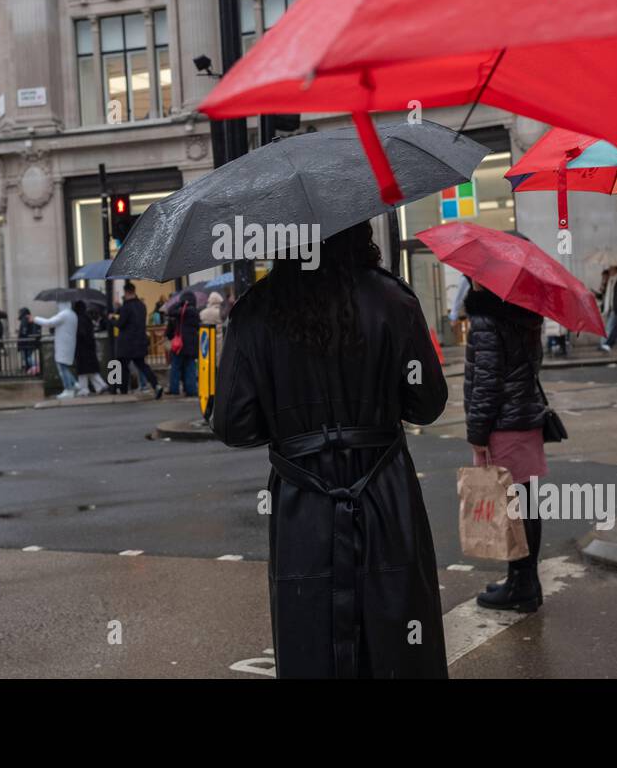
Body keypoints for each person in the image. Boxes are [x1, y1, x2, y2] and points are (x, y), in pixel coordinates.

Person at [213, 220, 449, 678]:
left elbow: (234, 423)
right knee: (399, 638)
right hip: (385, 495)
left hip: (304, 507)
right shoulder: (393, 299)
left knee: (310, 641)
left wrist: (288, 421)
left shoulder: (255, 311)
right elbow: (427, 403)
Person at [463, 280, 549, 612]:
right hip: (526, 422)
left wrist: (477, 432)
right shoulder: (527, 315)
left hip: (502, 425)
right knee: (526, 505)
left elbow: (486, 381)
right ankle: (525, 581)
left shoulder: (487, 320)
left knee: (514, 508)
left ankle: (520, 586)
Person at [111, 283, 162, 397]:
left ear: (126, 292)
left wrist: (111, 319)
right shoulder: (142, 305)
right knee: (142, 365)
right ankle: (156, 385)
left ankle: (123, 390)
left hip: (127, 343)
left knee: (123, 366)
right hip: (140, 340)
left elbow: (120, 324)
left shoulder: (127, 307)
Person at [34, 303, 78, 399]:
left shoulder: (64, 315)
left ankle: (69, 388)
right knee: (64, 367)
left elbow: (49, 323)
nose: (57, 306)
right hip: (69, 344)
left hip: (63, 344)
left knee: (62, 367)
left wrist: (35, 319)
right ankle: (74, 384)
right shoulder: (72, 314)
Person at [165, 291, 200, 398]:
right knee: (190, 367)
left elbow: (170, 311)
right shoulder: (195, 312)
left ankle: (174, 389)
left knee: (175, 366)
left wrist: (179, 303)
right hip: (192, 344)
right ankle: (191, 390)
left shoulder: (182, 312)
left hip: (180, 345)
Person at [71, 300, 107, 395]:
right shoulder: (87, 318)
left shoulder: (78, 319)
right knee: (90, 370)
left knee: (83, 370)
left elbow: (81, 333)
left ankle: (85, 389)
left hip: (82, 348)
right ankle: (100, 386)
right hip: (89, 347)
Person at [17, 308, 41, 375]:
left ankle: (37, 366)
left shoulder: (24, 319)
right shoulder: (29, 319)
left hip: (25, 342)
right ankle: (30, 369)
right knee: (28, 357)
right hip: (29, 342)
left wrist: (22, 333)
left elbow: (24, 331)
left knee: (27, 357)